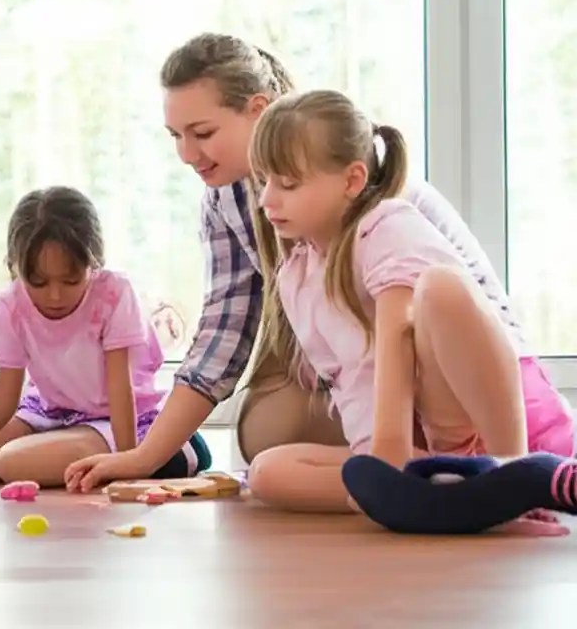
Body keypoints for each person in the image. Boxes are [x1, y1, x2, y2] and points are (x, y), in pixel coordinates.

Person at [65, 32, 541, 493]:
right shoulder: (233, 207)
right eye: (175, 136)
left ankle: (454, 476)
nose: (187, 155)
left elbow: (403, 326)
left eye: (203, 133)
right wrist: (143, 457)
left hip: (450, 373)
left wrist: (389, 453)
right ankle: (424, 483)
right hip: (369, 368)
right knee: (264, 439)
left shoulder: (364, 193)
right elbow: (224, 335)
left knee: (319, 427)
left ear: (258, 109)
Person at [242, 88, 573, 511]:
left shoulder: (387, 225)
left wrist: (386, 457)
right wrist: (377, 462)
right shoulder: (296, 276)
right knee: (268, 472)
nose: (268, 199)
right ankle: (446, 494)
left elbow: (397, 339)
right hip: (414, 453)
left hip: (481, 438)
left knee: (441, 288)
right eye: (262, 182)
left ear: (352, 180)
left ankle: (512, 482)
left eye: (287, 183)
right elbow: (352, 385)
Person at [0, 186, 210, 486]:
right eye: (39, 282)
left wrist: (125, 463)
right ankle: (59, 455)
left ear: (93, 262)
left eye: (71, 280)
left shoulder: (113, 293)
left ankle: (176, 451)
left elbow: (120, 391)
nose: (55, 296)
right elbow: (3, 401)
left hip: (112, 419)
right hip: (49, 414)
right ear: (17, 267)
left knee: (11, 462)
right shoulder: (11, 303)